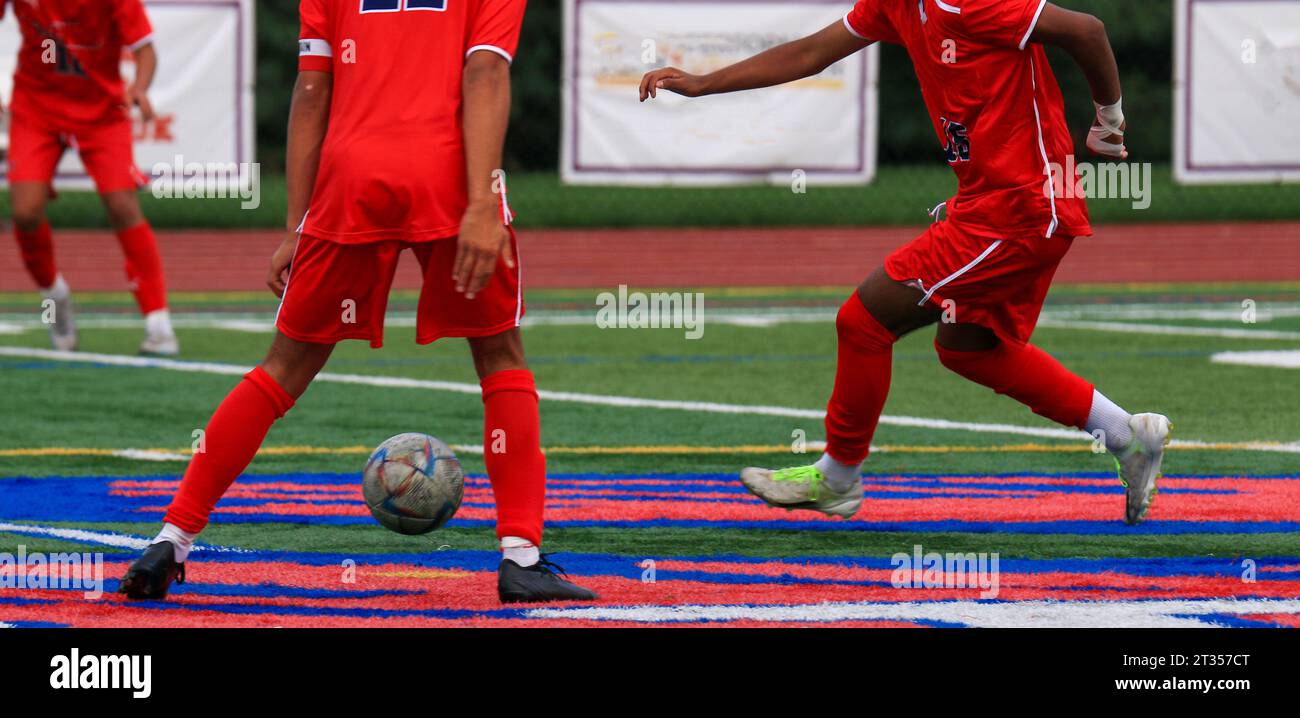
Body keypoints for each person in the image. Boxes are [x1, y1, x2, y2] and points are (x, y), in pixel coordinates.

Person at [120, 0, 597, 604]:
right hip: (448, 175)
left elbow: (311, 91)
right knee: (501, 357)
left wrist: (296, 224)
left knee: (281, 370)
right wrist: (481, 201)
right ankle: (521, 558)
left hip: (352, 177)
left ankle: (172, 538)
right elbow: (484, 73)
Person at [640, 0, 1170, 525]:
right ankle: (1128, 437)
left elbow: (1087, 29)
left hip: (1021, 210)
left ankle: (838, 478)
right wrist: (702, 84)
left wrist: (1109, 120)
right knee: (970, 349)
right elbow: (812, 52)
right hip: (996, 207)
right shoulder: (895, 4)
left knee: (865, 319)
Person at [4, 0, 178, 355]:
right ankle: (56, 300)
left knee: (121, 204)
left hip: (101, 111)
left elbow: (146, 51)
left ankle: (159, 324)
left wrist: (140, 89)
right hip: (36, 108)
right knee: (25, 211)